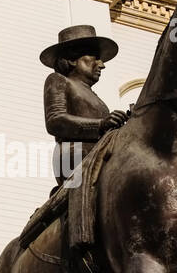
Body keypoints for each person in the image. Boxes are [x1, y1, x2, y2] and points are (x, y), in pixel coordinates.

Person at [39, 25, 129, 188]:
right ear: (73, 59)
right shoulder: (58, 80)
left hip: (101, 153)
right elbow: (55, 120)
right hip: (74, 155)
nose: (101, 65)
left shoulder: (97, 98)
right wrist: (101, 124)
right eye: (95, 57)